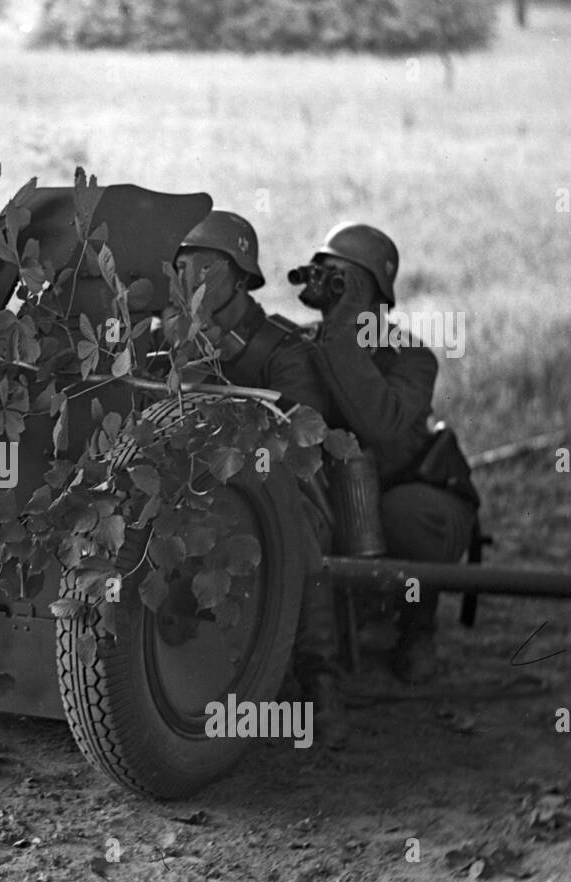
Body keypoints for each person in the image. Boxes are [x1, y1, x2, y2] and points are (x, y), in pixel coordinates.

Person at [168, 210, 349, 746]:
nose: (187, 279)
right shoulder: (171, 336)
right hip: (199, 481)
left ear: (239, 274)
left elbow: (304, 437)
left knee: (300, 538)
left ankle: (321, 679)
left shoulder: (280, 347)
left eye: (203, 268)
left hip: (281, 485)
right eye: (180, 267)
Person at [296, 222, 479, 684]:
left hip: (411, 493)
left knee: (404, 516)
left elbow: (381, 423)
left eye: (343, 281)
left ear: (373, 295)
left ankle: (418, 628)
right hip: (342, 496)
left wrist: (343, 330)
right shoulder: (306, 343)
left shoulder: (410, 357)